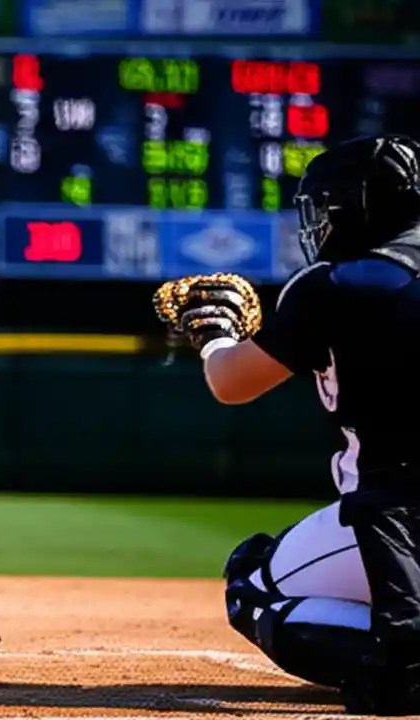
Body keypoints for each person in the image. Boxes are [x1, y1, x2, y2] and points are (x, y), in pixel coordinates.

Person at [154, 134, 420, 715]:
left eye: (328, 207)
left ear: (360, 206)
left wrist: (214, 335)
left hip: (397, 517)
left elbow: (231, 382)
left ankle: (403, 654)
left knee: (254, 585)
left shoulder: (340, 282)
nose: (320, 222)